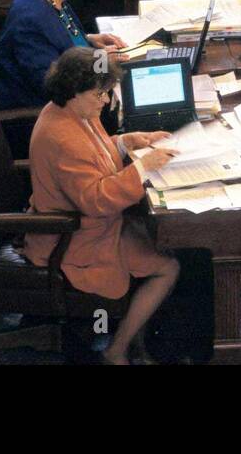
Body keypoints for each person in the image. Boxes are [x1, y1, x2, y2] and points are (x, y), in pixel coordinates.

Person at [24, 47, 179, 365]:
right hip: (75, 239)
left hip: (91, 227)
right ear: (74, 91)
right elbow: (96, 200)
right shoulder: (63, 137)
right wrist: (142, 167)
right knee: (168, 267)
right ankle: (117, 350)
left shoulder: (70, 112)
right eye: (100, 94)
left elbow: (95, 153)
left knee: (164, 242)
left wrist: (130, 141)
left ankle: (136, 340)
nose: (106, 101)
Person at [0, 0, 125, 156]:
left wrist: (89, 40)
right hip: (34, 120)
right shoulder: (31, 20)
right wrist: (99, 61)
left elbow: (59, 42)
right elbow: (53, 86)